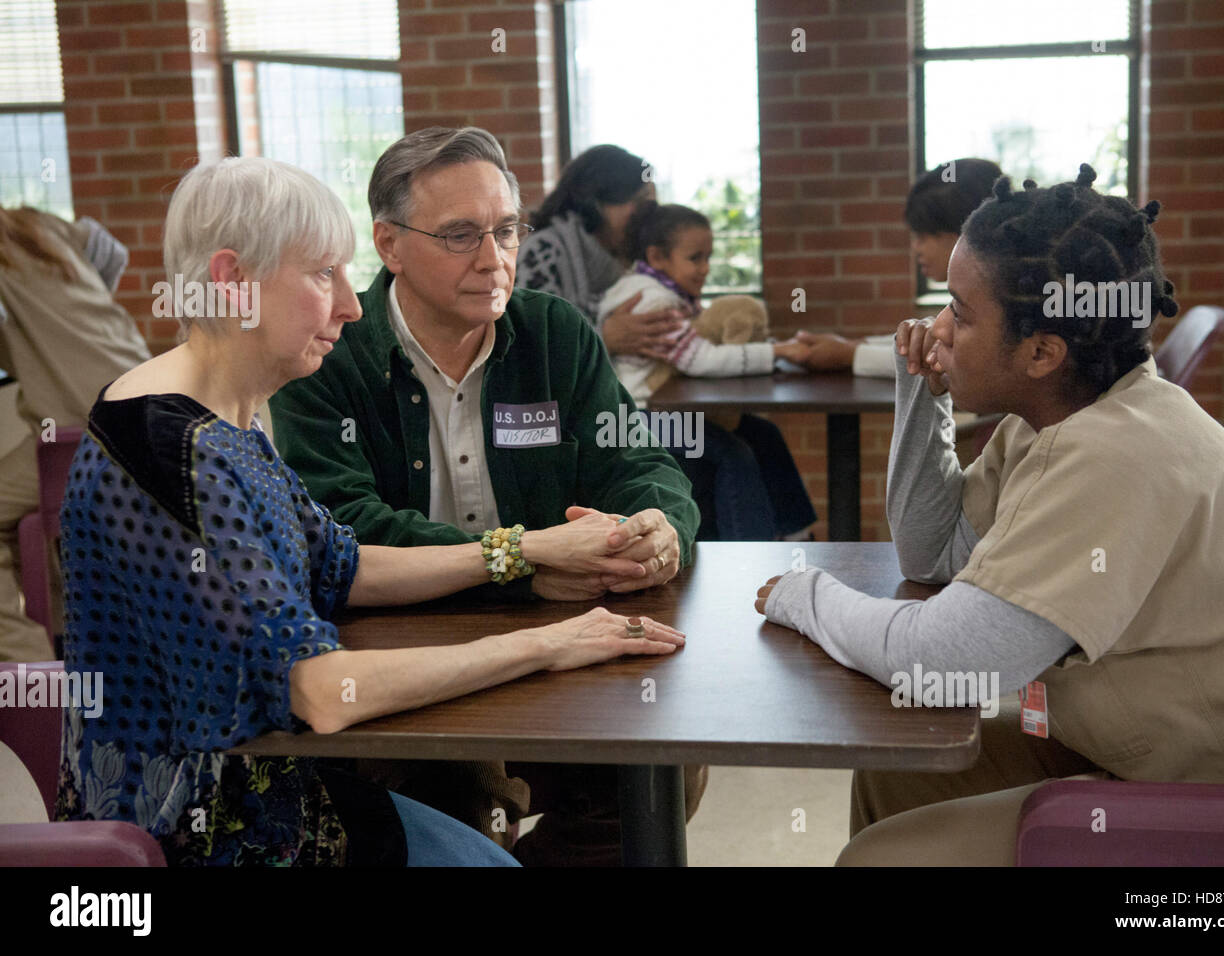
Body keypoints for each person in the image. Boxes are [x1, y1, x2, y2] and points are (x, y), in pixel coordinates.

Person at [54, 155, 687, 866]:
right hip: (216, 830)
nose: (351, 305)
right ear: (234, 282)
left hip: (266, 785)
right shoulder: (175, 448)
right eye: (323, 274)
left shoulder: (223, 418)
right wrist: (549, 643)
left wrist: (525, 551)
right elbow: (321, 691)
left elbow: (344, 564)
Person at [754, 164, 1224, 866]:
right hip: (1144, 735)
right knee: (897, 773)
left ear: (1042, 352)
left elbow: (943, 662)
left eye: (960, 311)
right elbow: (935, 553)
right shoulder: (1059, 414)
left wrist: (806, 595)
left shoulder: (1114, 453)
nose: (938, 326)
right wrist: (921, 391)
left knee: (882, 858)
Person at [268, 126, 705, 865]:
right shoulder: (333, 351)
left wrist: (658, 527)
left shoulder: (554, 334)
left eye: (506, 230)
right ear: (390, 243)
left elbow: (640, 462)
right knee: (453, 800)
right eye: (461, 235)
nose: (494, 259)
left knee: (656, 770)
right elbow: (343, 529)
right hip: (403, 659)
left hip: (554, 640)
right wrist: (526, 566)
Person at [597, 200, 816, 541]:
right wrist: (776, 351)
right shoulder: (653, 302)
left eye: (708, 257)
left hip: (648, 415)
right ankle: (751, 556)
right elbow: (701, 360)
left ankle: (797, 535)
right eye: (695, 258)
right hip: (635, 422)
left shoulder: (656, 291)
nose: (705, 268)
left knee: (763, 432)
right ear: (657, 258)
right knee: (732, 452)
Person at [0, 207, 152, 662]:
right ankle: (70, 638)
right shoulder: (32, 225)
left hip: (81, 441)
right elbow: (110, 250)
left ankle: (31, 671)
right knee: (35, 522)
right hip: (152, 411)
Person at [795, 158, 1004, 374]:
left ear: (961, 233)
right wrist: (853, 345)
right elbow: (926, 343)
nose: (916, 248)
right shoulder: (975, 293)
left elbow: (938, 356)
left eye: (923, 236)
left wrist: (847, 353)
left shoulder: (994, 302)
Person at [515, 144, 684, 365]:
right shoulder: (544, 251)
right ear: (597, 203)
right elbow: (527, 343)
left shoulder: (632, 254)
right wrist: (603, 338)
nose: (649, 213)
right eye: (640, 201)